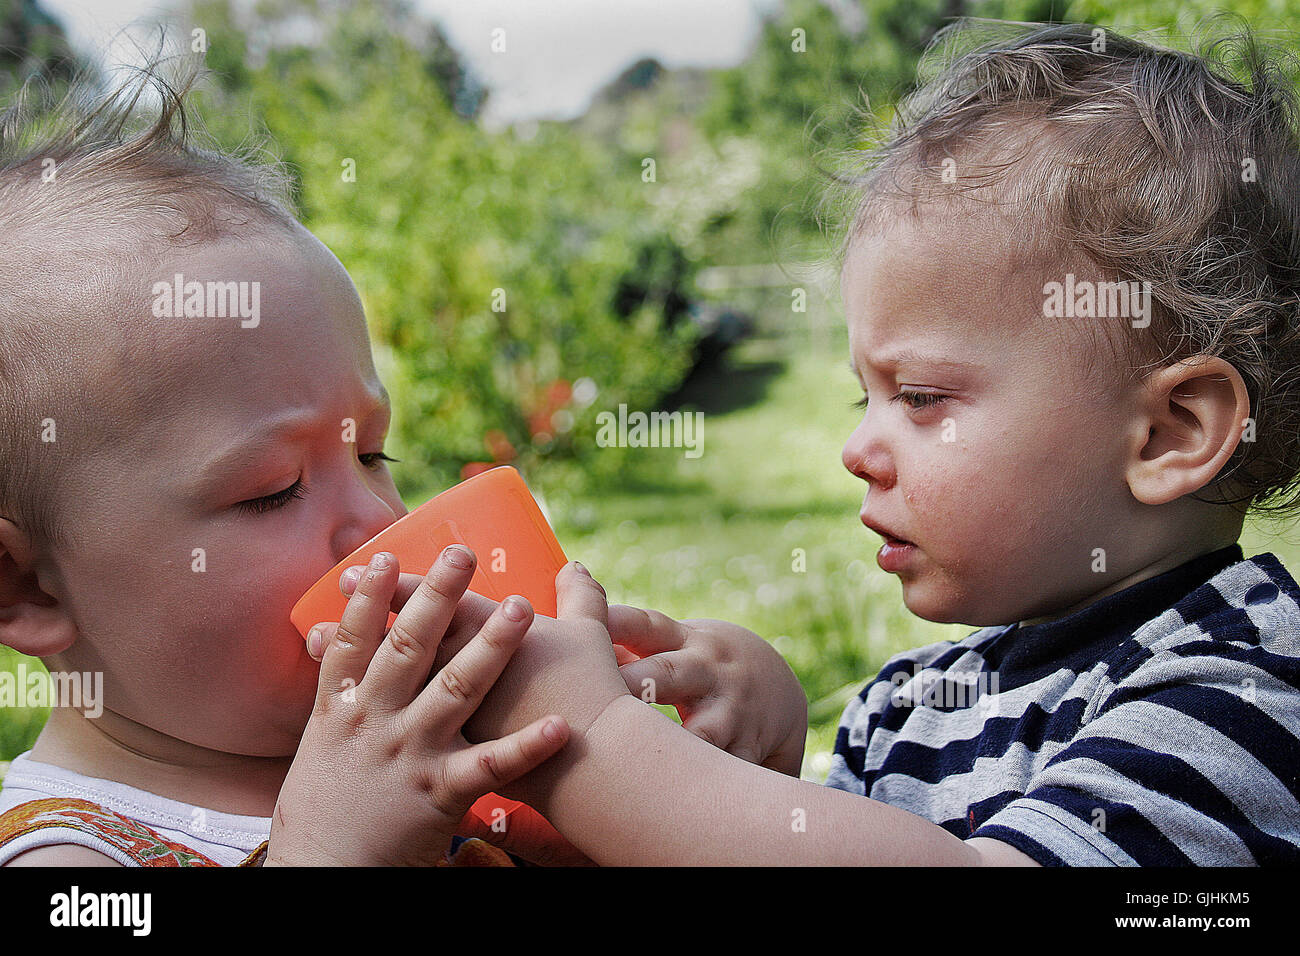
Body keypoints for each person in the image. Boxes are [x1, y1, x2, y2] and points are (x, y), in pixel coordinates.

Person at [325, 21, 1300, 865]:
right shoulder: (908, 705)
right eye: (861, 394)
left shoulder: (1243, 692)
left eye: (917, 395)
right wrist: (753, 762)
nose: (855, 448)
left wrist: (598, 742)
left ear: (1168, 432)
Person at [0, 55, 573, 866]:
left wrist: (693, 762)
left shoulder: (443, 738)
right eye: (274, 492)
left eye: (373, 452)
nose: (382, 519)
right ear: (23, 585)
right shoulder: (67, 859)